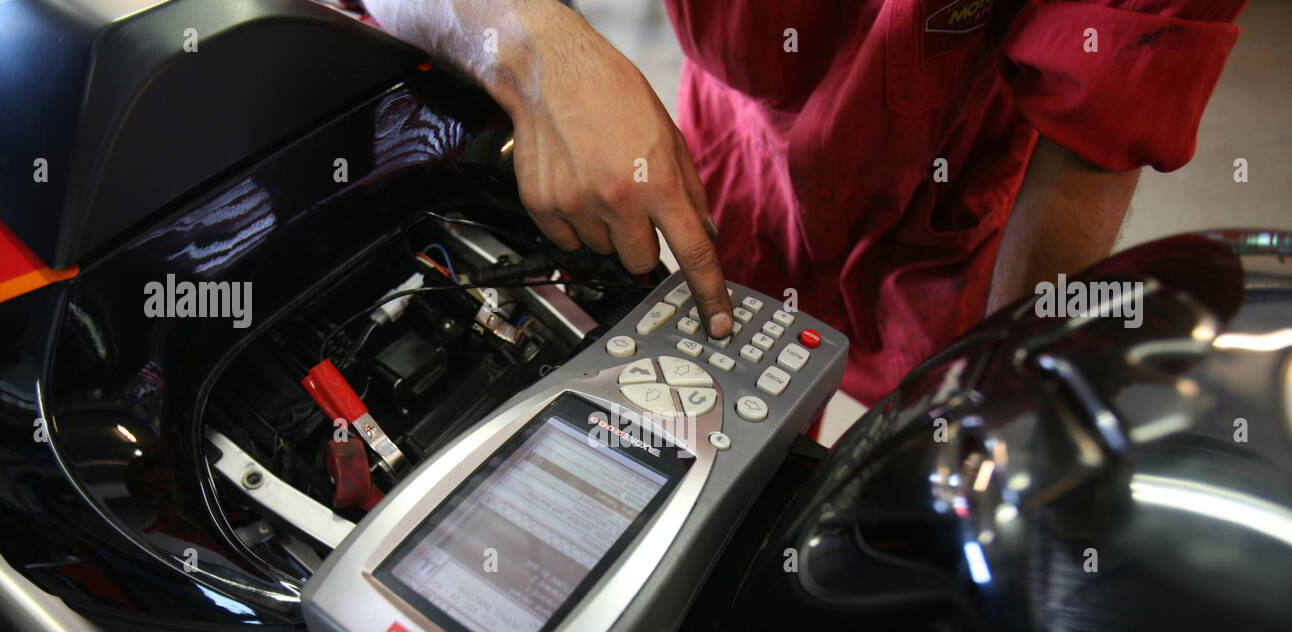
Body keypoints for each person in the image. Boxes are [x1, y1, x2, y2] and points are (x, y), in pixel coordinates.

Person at [359, 0, 1246, 406]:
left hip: (953, 189)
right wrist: (533, 44)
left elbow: (1095, 125)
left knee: (929, 440)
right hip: (732, 144)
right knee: (731, 410)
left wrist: (1004, 401)